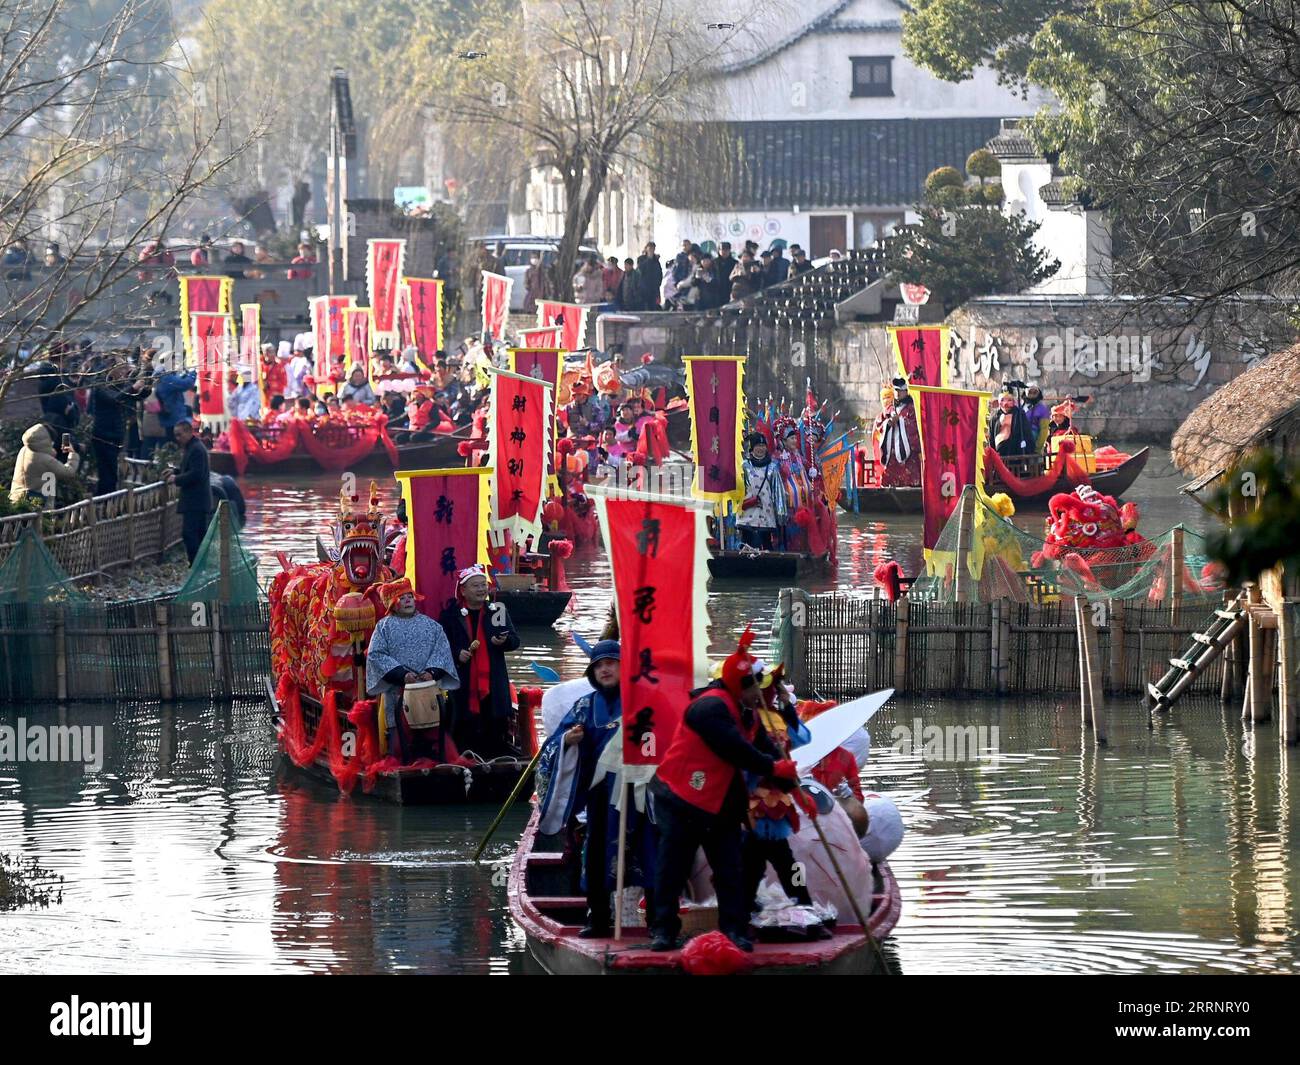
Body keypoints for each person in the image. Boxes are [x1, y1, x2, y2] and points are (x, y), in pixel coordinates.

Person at [648, 628, 799, 952]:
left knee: (731, 867)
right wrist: (772, 768)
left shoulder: (750, 713)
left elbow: (760, 745)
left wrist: (786, 777)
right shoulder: (710, 707)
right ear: (739, 687)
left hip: (720, 802)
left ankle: (734, 929)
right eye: (755, 687)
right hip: (680, 797)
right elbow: (733, 748)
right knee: (672, 866)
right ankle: (664, 930)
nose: (761, 693)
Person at [535, 640, 650, 938]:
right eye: (599, 665)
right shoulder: (585, 706)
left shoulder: (644, 701)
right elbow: (552, 746)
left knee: (649, 854)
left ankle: (662, 925)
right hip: (600, 795)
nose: (605, 669)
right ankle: (598, 919)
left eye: (611, 662)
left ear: (625, 666)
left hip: (641, 793)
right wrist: (567, 742)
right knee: (597, 855)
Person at [743, 664, 816, 914]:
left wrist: (788, 708)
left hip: (778, 798)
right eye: (775, 687)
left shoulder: (778, 717)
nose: (778, 691)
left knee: (760, 861)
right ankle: (802, 901)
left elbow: (803, 738)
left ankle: (747, 905)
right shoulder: (749, 718)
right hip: (754, 801)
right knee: (777, 860)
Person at [366, 578, 460, 764]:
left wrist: (431, 672)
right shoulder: (383, 627)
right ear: (392, 603)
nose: (408, 600)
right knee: (399, 739)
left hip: (429, 690)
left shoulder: (432, 625)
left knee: (434, 735)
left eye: (410, 596)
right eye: (402, 598)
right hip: (398, 691)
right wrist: (402, 674)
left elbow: (442, 651)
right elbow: (376, 655)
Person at [438, 565, 521, 757]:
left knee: (495, 728)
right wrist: (457, 653)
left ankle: (496, 762)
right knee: (464, 726)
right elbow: (441, 646)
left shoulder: (496, 611)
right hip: (464, 681)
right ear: (463, 590)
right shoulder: (451, 614)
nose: (482, 589)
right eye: (476, 586)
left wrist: (503, 641)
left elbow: (515, 641)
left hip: (493, 680)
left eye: (484, 585)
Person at [89, 361, 149, 494]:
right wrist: (133, 387)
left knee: (112, 474)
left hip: (114, 435)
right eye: (121, 369)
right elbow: (115, 398)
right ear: (112, 369)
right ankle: (103, 504)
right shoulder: (100, 384)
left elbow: (131, 397)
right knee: (107, 475)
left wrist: (146, 387)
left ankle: (106, 502)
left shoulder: (116, 385)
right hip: (104, 435)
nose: (124, 373)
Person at [167, 420, 212, 564]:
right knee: (197, 533)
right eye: (176, 435)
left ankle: (196, 564)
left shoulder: (196, 449)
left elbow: (196, 474)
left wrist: (176, 478)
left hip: (196, 500)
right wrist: (175, 472)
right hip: (196, 500)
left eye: (180, 435)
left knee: (190, 533)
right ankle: (200, 564)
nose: (177, 438)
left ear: (188, 432)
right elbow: (190, 469)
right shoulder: (192, 447)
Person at [8, 423, 80, 505]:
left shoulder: (24, 450)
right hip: (36, 503)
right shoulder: (45, 459)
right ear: (47, 440)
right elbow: (68, 472)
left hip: (17, 498)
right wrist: (73, 453)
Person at [736, 432, 784, 550]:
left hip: (766, 511)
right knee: (745, 542)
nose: (761, 449)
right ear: (752, 448)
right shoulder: (744, 466)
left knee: (766, 542)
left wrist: (781, 512)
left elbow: (778, 492)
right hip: (747, 511)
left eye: (763, 446)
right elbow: (737, 489)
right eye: (758, 445)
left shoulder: (772, 467)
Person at [873, 379, 921, 487]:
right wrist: (888, 424)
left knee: (909, 474)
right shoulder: (889, 409)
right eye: (895, 390)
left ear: (906, 391)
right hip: (892, 454)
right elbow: (879, 423)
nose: (897, 393)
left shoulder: (913, 409)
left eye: (900, 390)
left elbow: (916, 427)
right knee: (889, 475)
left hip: (907, 454)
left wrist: (900, 422)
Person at [987, 389, 1035, 459]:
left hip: (1016, 452)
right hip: (999, 453)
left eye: (1009, 400)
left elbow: (1027, 433)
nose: (1005, 403)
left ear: (1013, 401)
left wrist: (1027, 449)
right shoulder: (995, 417)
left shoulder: (1019, 414)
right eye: (1002, 400)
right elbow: (991, 436)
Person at [636, 242, 662, 309]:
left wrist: (658, 284)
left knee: (653, 307)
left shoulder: (656, 260)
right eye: (650, 248)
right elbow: (641, 269)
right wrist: (649, 259)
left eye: (653, 248)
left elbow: (659, 273)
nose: (651, 250)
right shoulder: (641, 259)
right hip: (644, 289)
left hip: (653, 289)